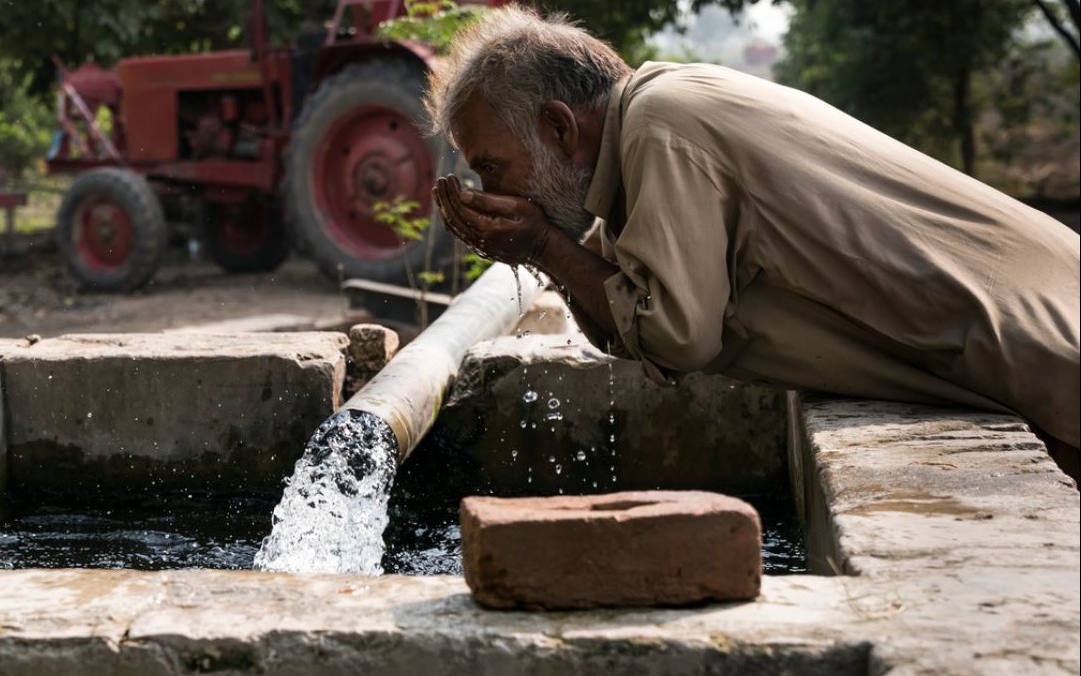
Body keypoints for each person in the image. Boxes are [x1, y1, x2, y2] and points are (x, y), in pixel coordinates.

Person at [427, 6, 1081, 479]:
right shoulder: (641, 143)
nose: (489, 187)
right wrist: (549, 247)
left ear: (559, 128)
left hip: (1038, 344)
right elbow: (627, 329)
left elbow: (680, 335)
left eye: (491, 166)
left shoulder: (663, 125)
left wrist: (543, 247)